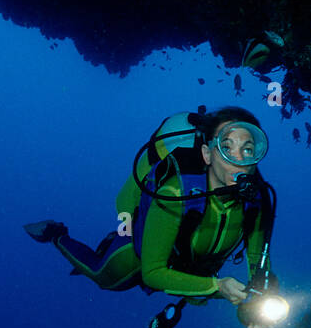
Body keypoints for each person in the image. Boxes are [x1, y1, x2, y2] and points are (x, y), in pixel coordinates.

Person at [24, 107, 278, 317]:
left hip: (193, 264)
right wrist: (216, 286)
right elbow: (153, 273)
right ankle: (55, 234)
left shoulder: (258, 201)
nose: (238, 159)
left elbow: (258, 262)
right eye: (226, 147)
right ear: (207, 154)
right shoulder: (175, 192)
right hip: (145, 254)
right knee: (103, 277)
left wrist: (257, 300)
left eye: (247, 149)